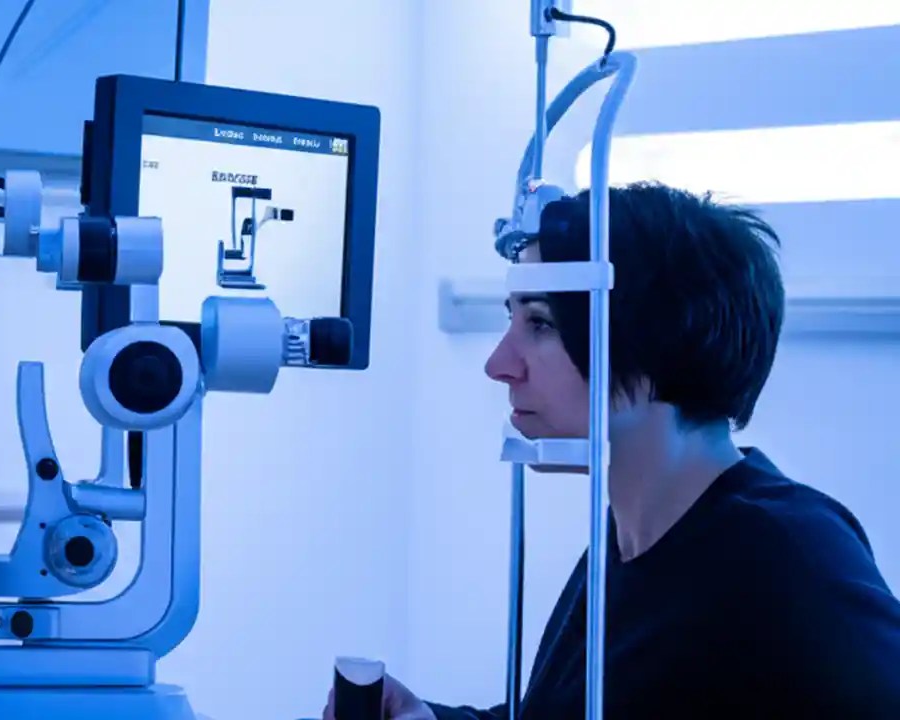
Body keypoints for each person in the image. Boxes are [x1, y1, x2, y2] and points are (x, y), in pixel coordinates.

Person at [322, 181, 900, 719]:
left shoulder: (789, 558)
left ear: (650, 346)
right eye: (513, 321)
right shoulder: (625, 540)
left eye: (541, 325)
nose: (499, 365)